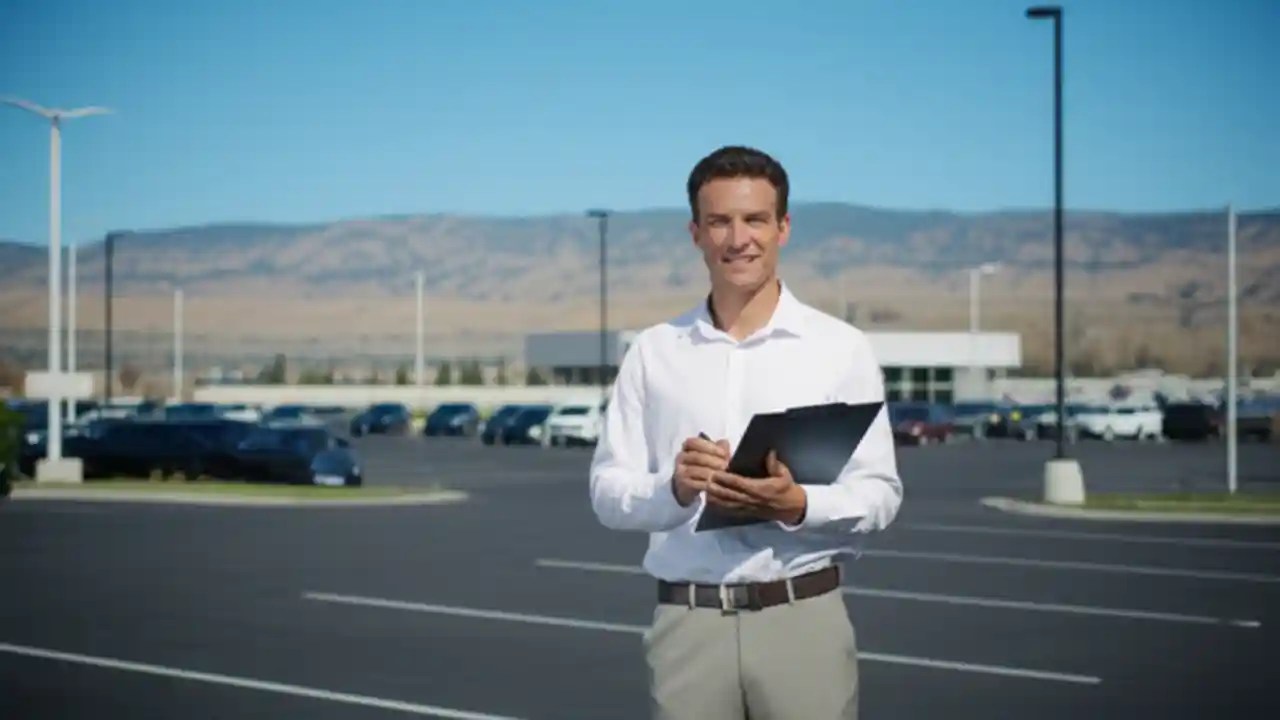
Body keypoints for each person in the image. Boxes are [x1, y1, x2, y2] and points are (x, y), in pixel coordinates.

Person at [588, 145, 903, 720]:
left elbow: (879, 493)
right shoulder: (654, 353)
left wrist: (797, 504)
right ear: (695, 233)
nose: (739, 239)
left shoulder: (841, 349)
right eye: (720, 222)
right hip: (688, 628)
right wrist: (674, 488)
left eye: (756, 219)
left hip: (802, 621)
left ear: (784, 227)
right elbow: (608, 491)